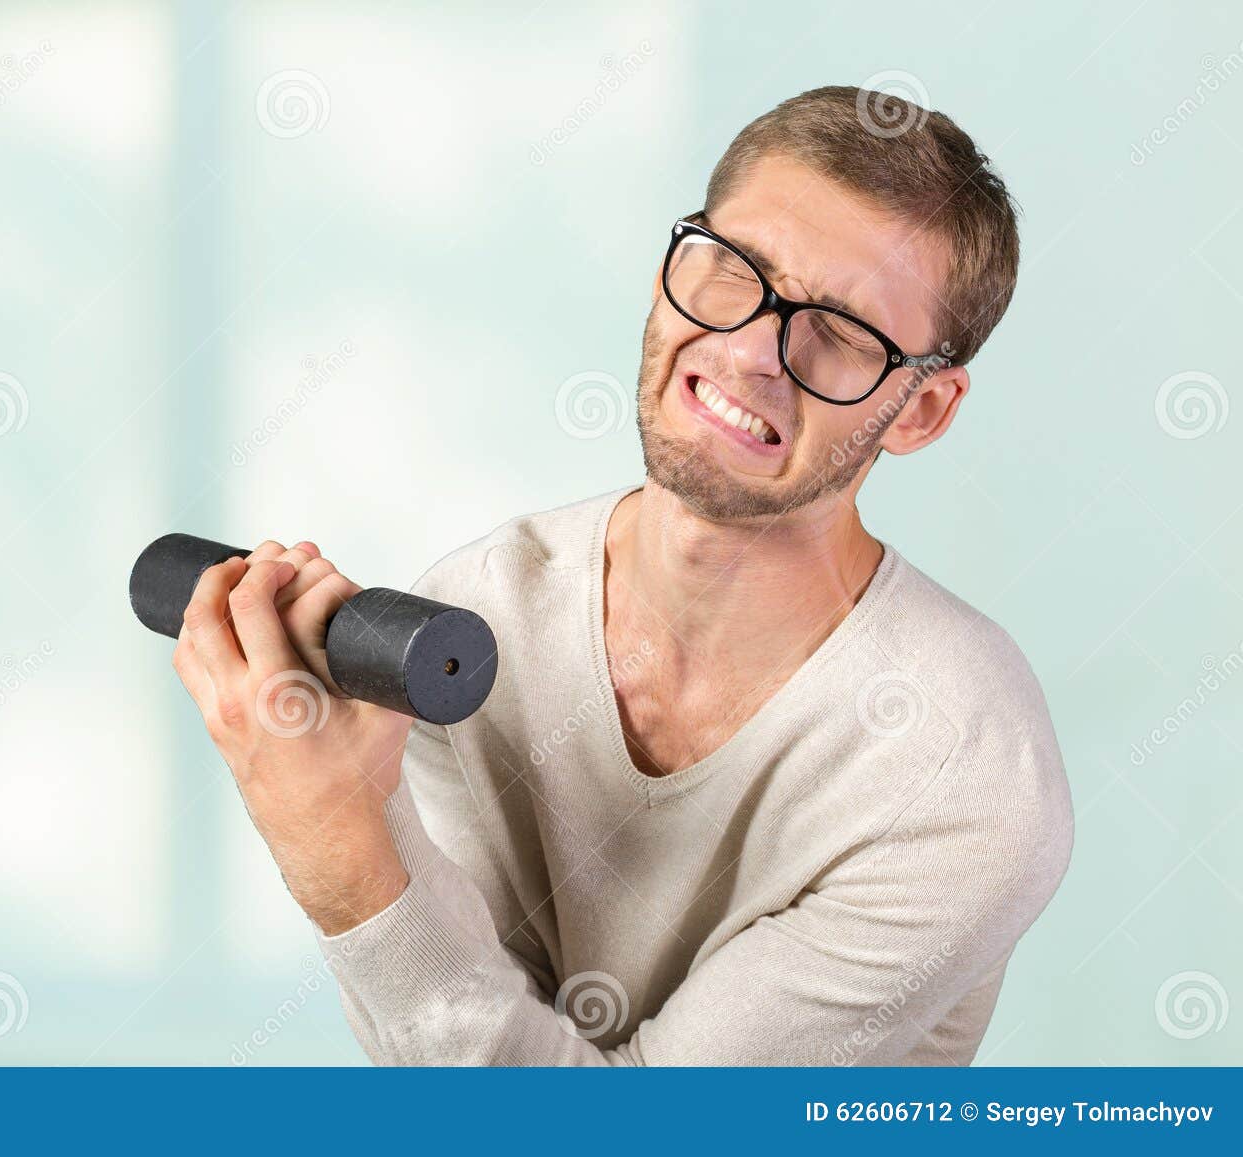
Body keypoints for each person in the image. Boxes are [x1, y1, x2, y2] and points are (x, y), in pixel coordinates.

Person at [169, 85, 1073, 1065]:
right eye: (733, 272)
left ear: (920, 412)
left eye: (843, 330)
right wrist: (353, 795)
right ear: (669, 269)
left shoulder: (957, 774)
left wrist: (334, 846)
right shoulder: (483, 607)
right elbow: (436, 1062)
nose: (750, 350)